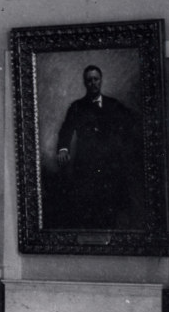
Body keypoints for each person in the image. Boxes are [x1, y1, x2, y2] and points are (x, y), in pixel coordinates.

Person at [51, 65, 142, 229]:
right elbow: (66, 130)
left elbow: (132, 124)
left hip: (110, 165)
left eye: (96, 79)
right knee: (89, 211)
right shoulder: (77, 107)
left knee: (112, 210)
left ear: (101, 80)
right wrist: (63, 149)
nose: (93, 83)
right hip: (86, 166)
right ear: (84, 83)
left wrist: (123, 146)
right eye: (89, 80)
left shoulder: (114, 104)